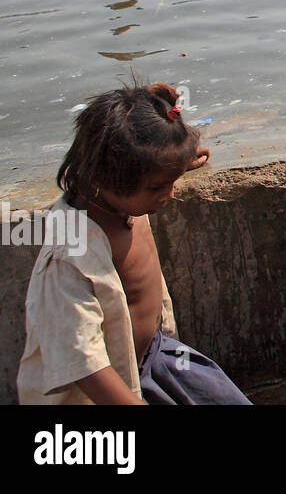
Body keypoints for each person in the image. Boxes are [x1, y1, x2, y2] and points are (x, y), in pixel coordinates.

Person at [16, 82, 250, 405]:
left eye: (172, 181)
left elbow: (136, 129)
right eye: (158, 186)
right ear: (110, 177)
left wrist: (174, 163)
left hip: (158, 357)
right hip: (112, 391)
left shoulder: (125, 194)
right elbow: (86, 367)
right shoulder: (69, 256)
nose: (168, 195)